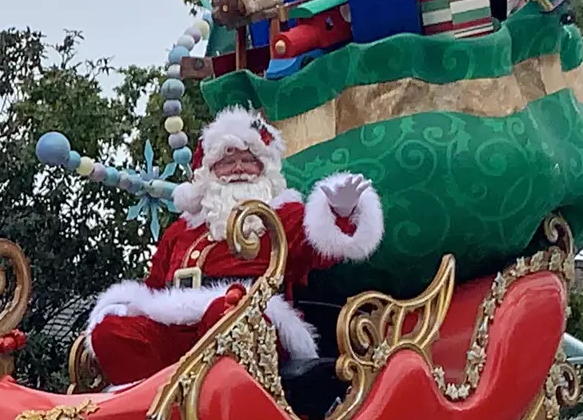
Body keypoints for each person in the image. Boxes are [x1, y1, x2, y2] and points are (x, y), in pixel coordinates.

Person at [84, 106, 384, 403]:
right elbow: (154, 285)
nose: (239, 169)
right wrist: (126, 308)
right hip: (176, 327)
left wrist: (341, 212)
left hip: (250, 321)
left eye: (248, 161)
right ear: (208, 173)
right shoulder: (181, 230)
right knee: (110, 329)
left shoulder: (280, 214)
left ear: (265, 170)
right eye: (228, 162)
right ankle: (148, 403)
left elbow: (318, 245)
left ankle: (208, 404)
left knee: (227, 316)